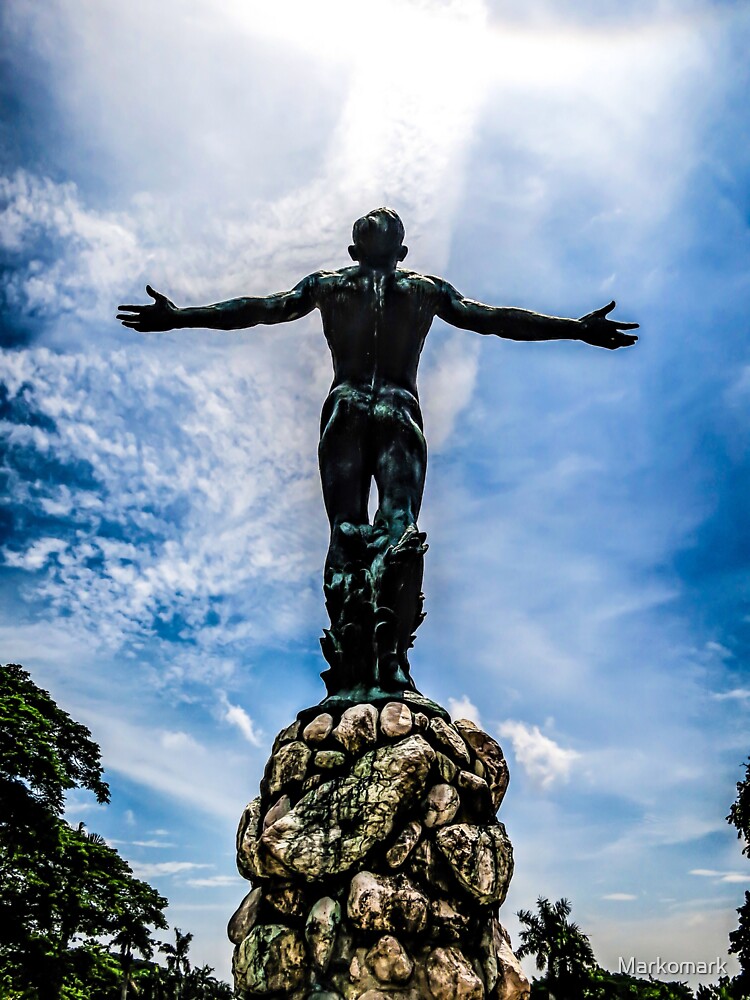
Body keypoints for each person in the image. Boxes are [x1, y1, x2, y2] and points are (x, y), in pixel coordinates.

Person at [117, 207, 638, 583]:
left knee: (345, 530)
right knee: (398, 528)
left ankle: (353, 667)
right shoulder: (426, 290)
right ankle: (388, 662)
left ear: (353, 252)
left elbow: (258, 309)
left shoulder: (326, 285)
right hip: (398, 410)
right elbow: (496, 319)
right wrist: (575, 328)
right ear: (402, 254)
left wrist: (180, 317)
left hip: (344, 407)